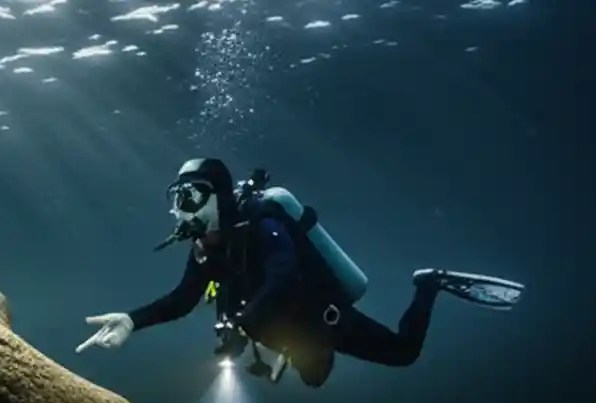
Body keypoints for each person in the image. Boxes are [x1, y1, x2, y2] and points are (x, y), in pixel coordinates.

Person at [75, 158, 523, 387]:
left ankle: (428, 285)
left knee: (402, 354)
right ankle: (307, 356)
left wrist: (243, 326)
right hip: (281, 332)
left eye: (190, 196)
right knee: (314, 378)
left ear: (219, 197)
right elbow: (182, 298)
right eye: (175, 197)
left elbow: (284, 277)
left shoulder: (263, 225)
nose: (179, 209)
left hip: (323, 318)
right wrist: (132, 320)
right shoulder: (205, 250)